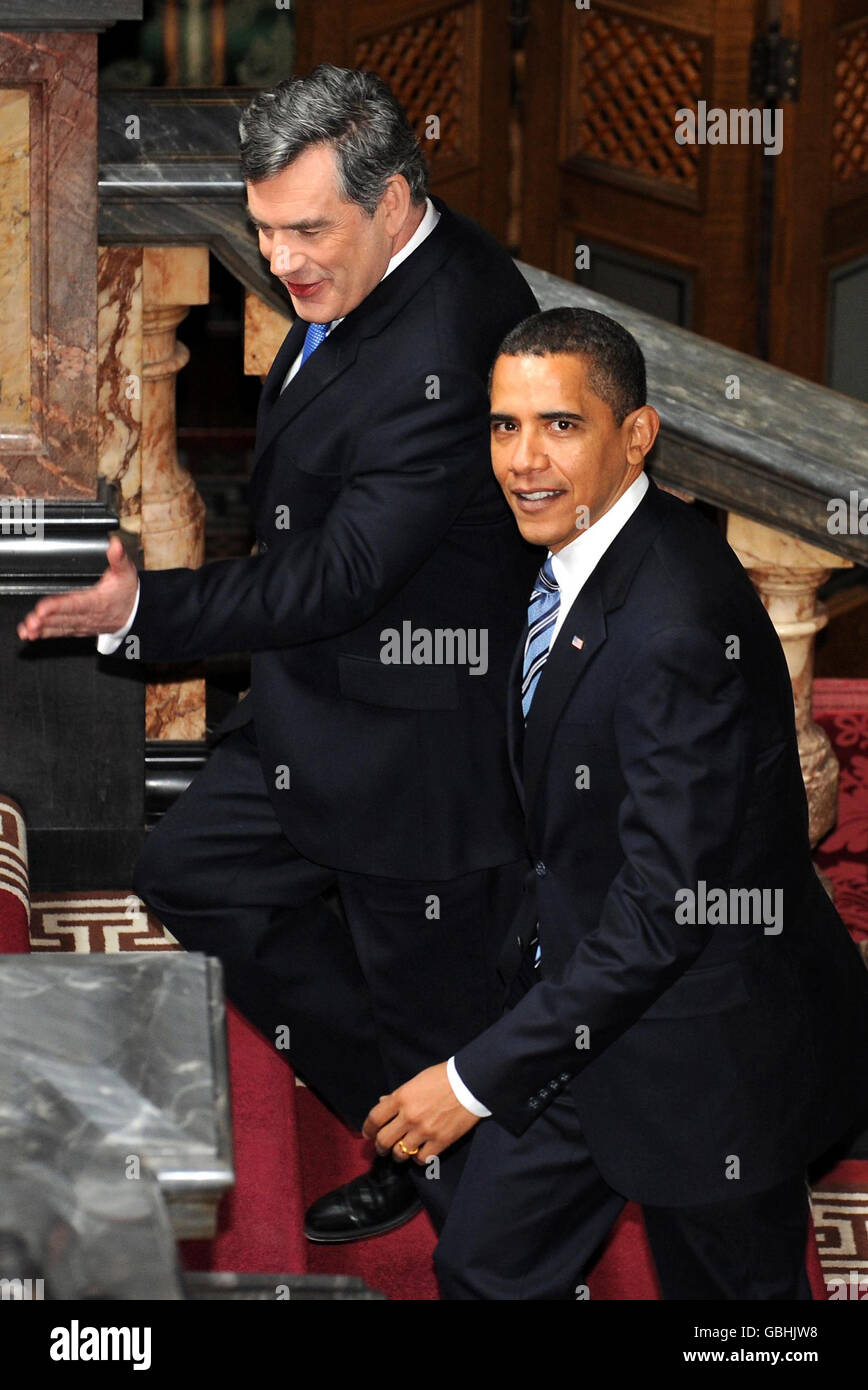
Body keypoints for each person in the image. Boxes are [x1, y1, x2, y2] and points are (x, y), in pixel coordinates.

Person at [16, 64, 539, 1241]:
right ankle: (400, 1121)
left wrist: (139, 611)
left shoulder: (448, 339)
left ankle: (484, 1222)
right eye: (262, 230)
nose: (282, 260)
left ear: (396, 204)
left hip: (417, 744)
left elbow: (339, 574)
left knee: (431, 1020)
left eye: (308, 231)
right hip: (320, 699)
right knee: (196, 870)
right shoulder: (368, 273)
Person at [364, 306, 868, 1298]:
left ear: (635, 436)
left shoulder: (673, 626)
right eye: (504, 426)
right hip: (578, 1012)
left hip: (704, 1059)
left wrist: (468, 1082)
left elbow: (662, 908)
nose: (522, 458)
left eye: (560, 424)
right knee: (482, 1267)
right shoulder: (580, 546)